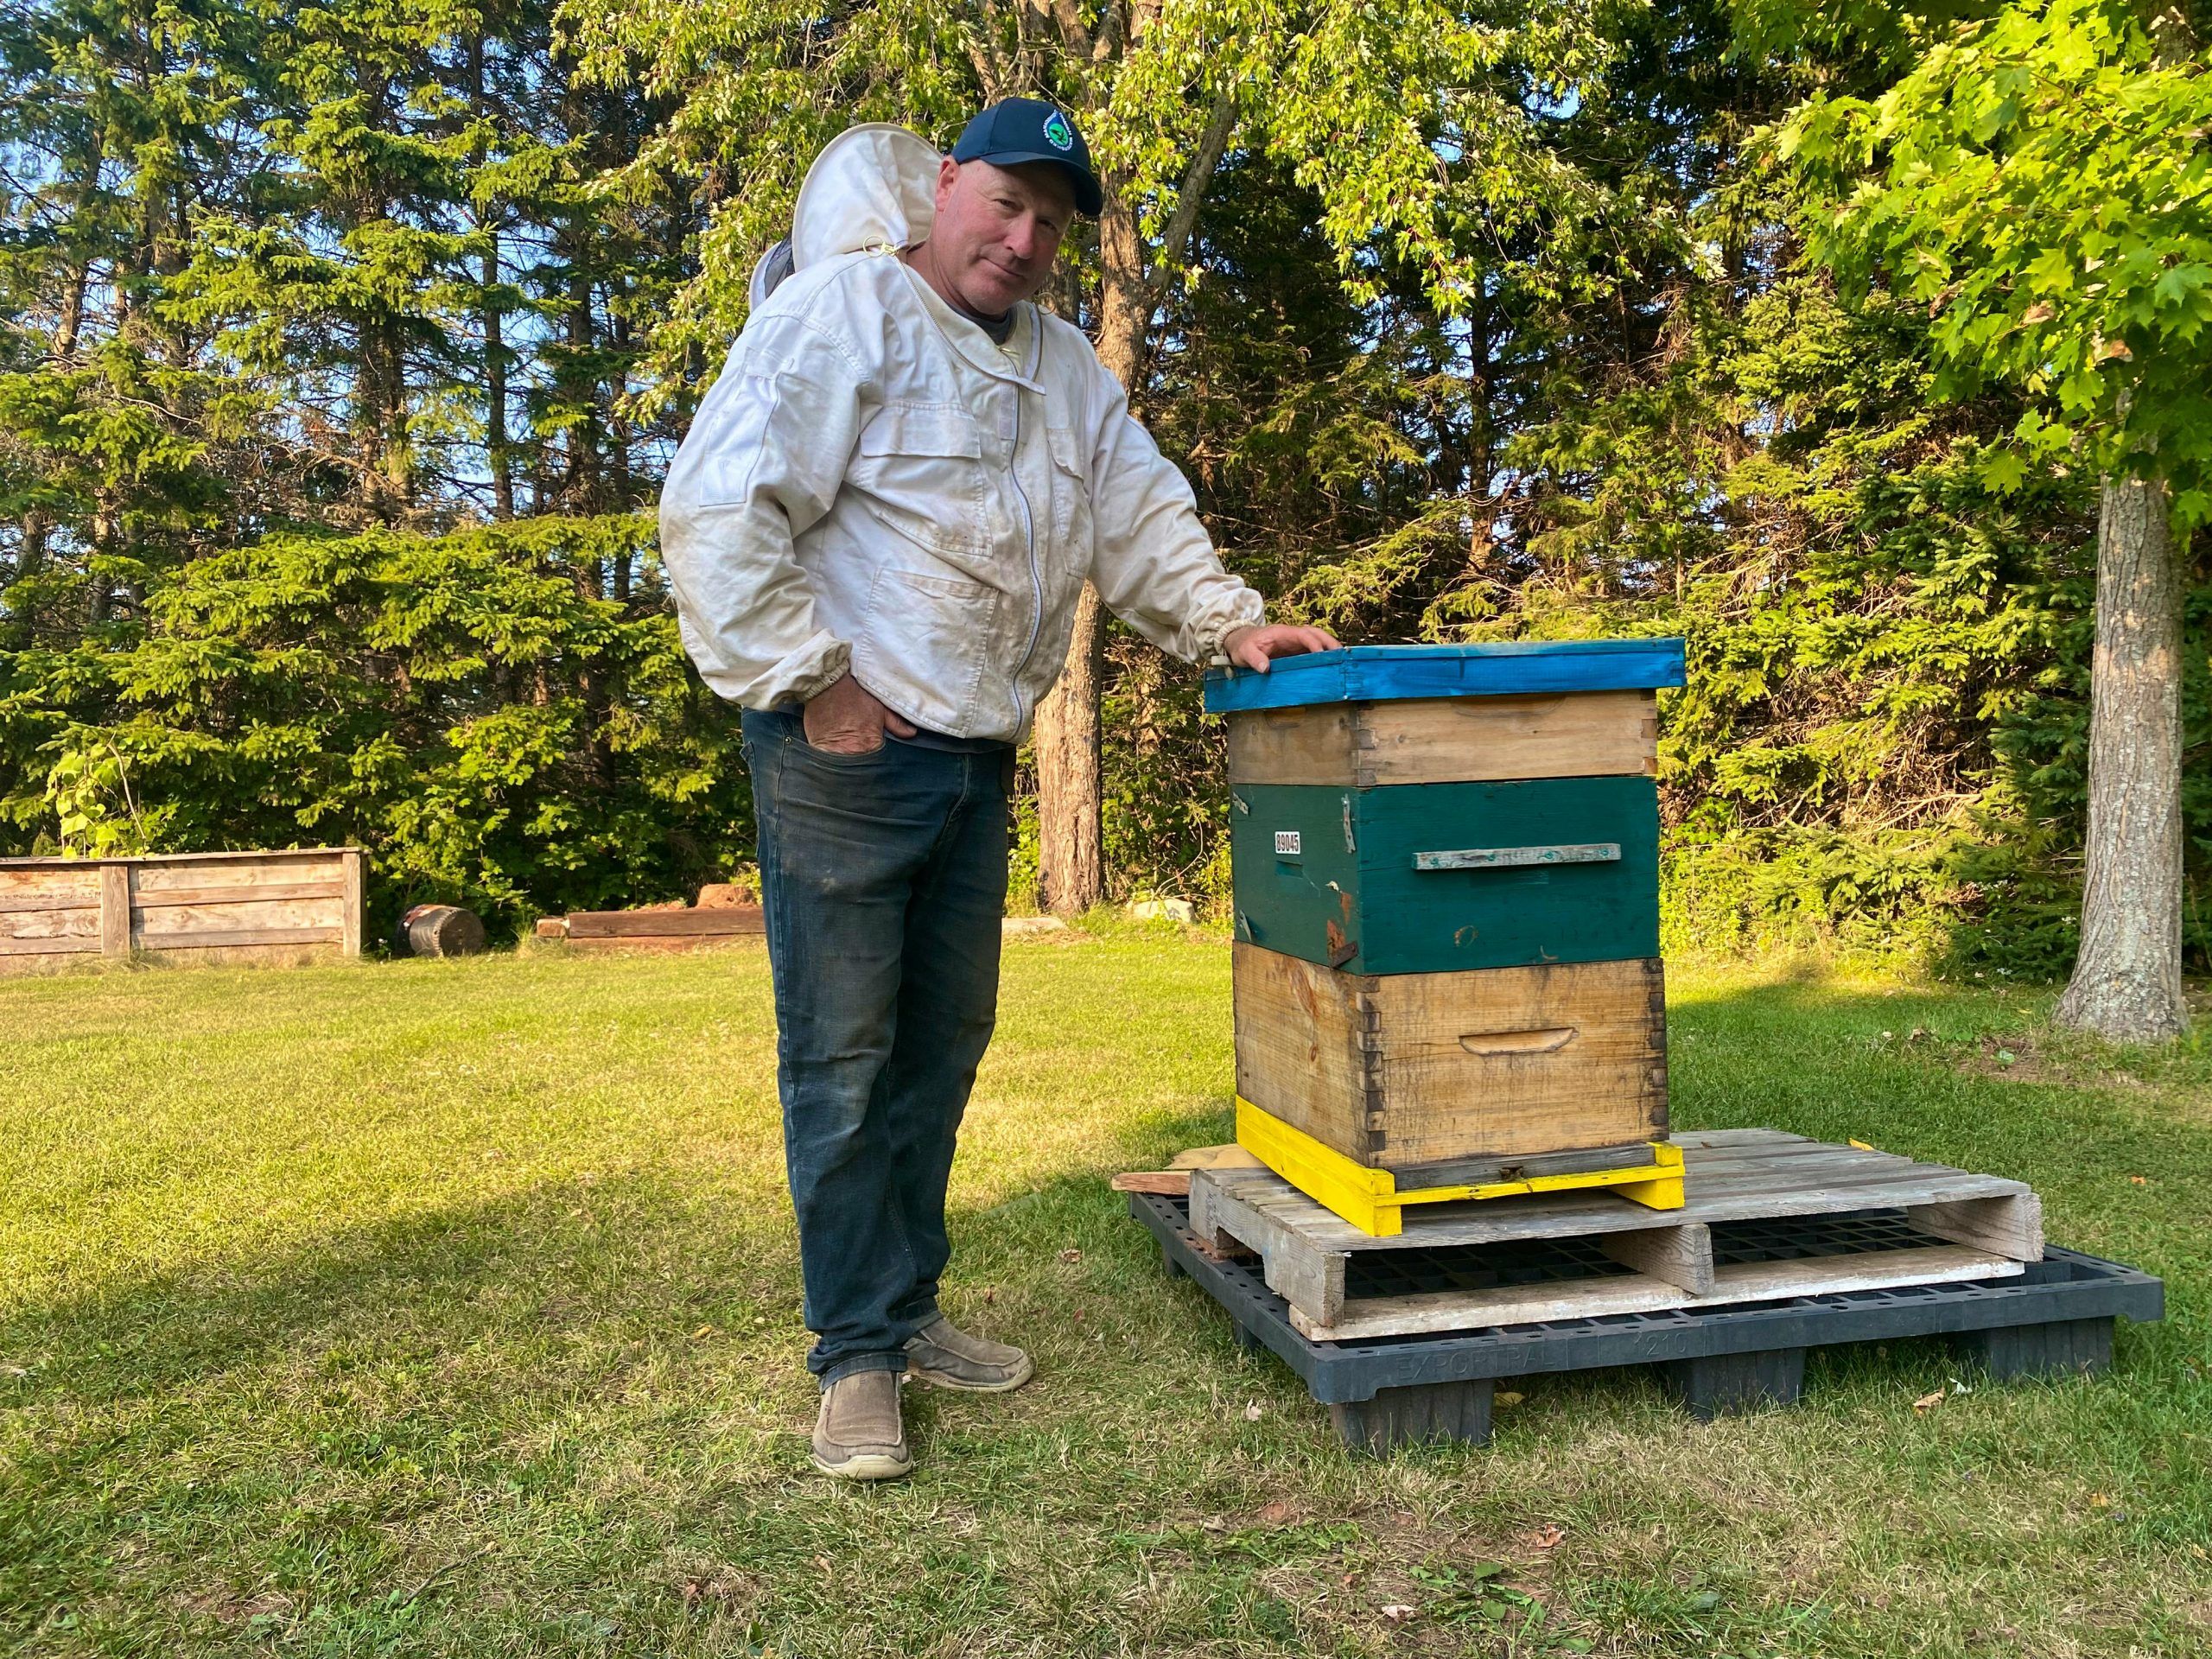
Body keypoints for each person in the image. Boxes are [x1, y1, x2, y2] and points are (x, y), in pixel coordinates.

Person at [658, 99, 1338, 1481]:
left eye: (1050, 224)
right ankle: (853, 1357)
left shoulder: (1068, 367)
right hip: (843, 755)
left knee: (937, 1056)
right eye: (1004, 205)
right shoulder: (843, 315)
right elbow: (720, 509)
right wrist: (816, 685)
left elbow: (1138, 510)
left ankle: (906, 1315)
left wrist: (1227, 622)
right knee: (845, 1065)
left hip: (974, 755)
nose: (1023, 241)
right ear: (944, 186)